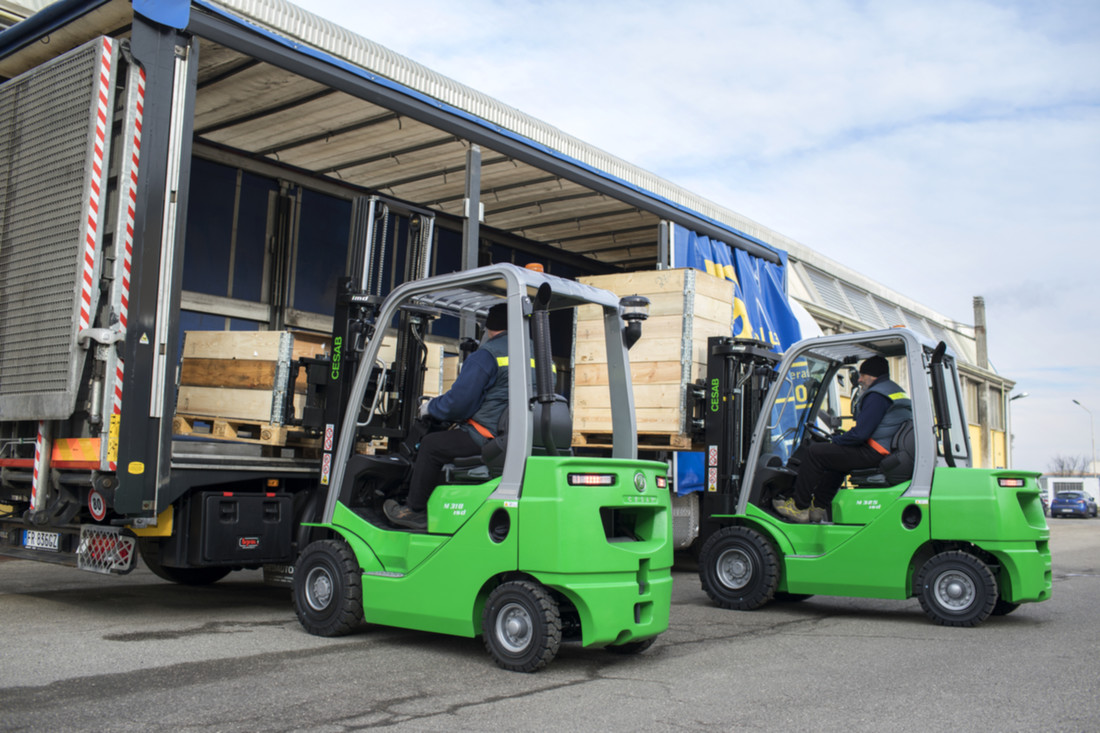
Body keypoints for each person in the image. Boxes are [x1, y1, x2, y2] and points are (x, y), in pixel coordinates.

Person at [384, 303, 511, 529]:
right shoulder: (536, 354)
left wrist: (431, 408)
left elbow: (459, 404)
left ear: (490, 329)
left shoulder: (487, 355)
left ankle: (414, 510)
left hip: (489, 437)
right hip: (514, 437)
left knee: (432, 444)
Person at [773, 355, 912, 524]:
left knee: (814, 452)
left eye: (862, 375)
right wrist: (841, 439)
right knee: (836, 460)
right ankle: (817, 508)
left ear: (872, 375)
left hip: (875, 452)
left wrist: (836, 441)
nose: (859, 379)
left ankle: (799, 507)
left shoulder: (876, 395)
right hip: (888, 451)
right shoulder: (892, 390)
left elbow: (861, 433)